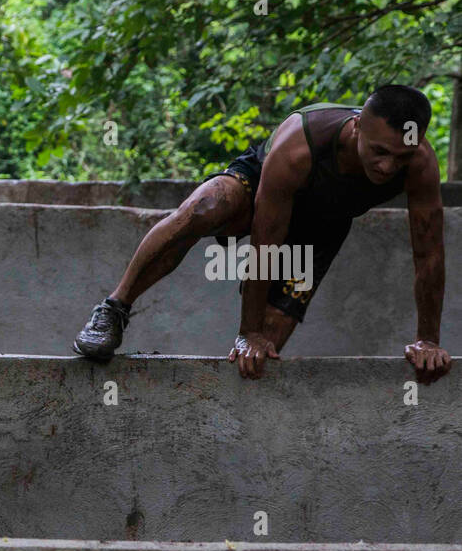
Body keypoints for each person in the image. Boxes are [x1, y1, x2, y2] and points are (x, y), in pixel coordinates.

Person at [72, 85, 451, 382]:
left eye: (401, 156)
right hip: (259, 189)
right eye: (380, 151)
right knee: (204, 207)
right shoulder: (301, 147)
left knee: (262, 352)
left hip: (322, 226)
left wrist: (428, 341)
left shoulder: (418, 164)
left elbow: (429, 253)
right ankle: (113, 308)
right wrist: (246, 329)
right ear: (357, 127)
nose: (388, 167)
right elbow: (265, 241)